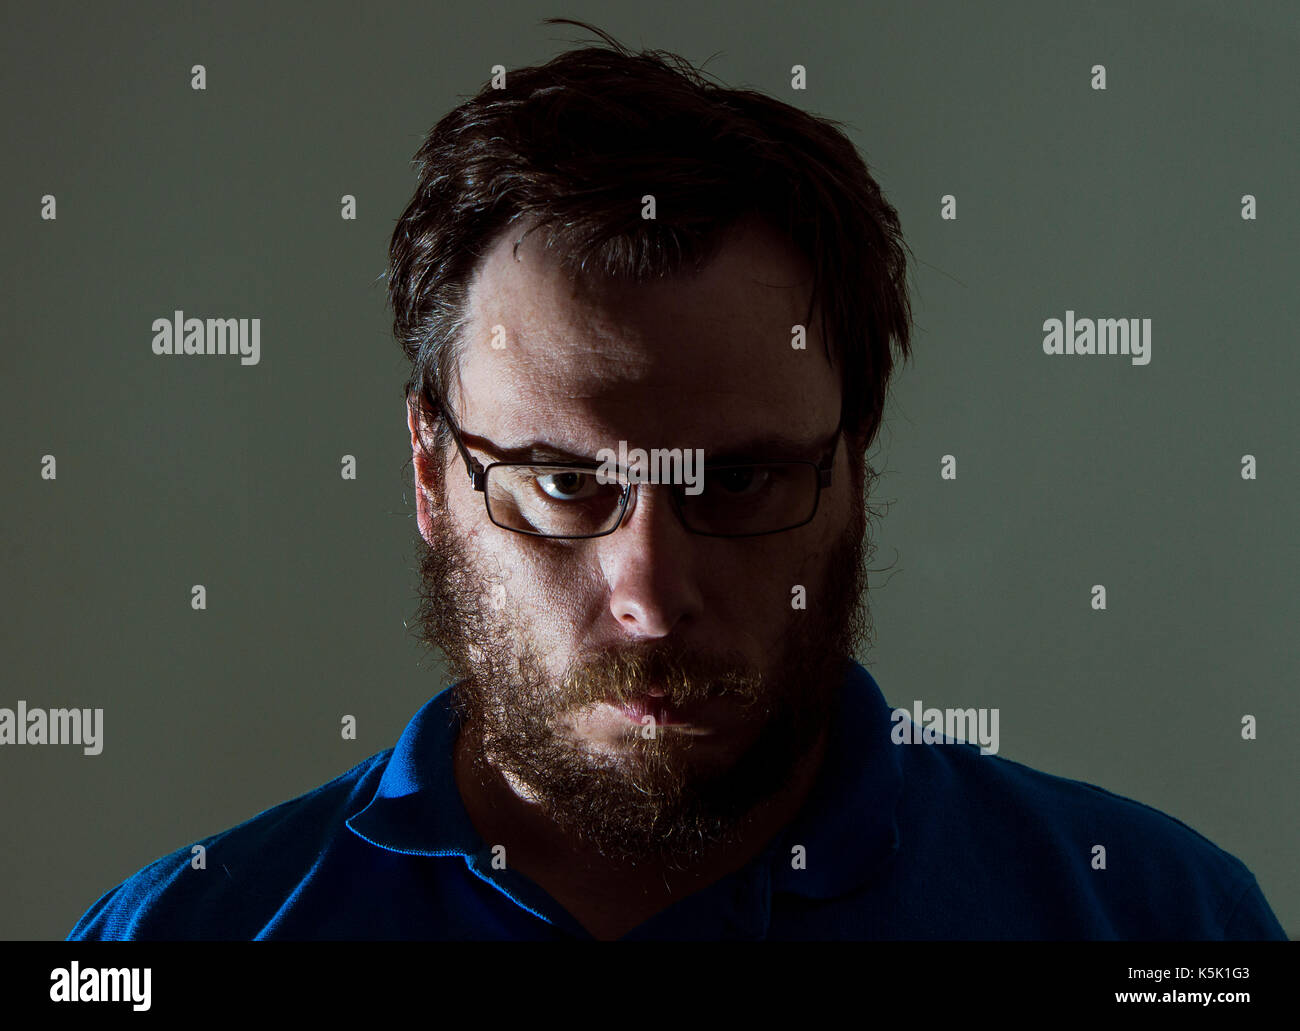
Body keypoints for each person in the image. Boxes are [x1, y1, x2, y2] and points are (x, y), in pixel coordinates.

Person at [68, 21, 1286, 941]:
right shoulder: (169, 940)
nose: (649, 593)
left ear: (853, 465)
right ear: (430, 474)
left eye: (743, 478)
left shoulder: (1161, 925)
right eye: (560, 486)